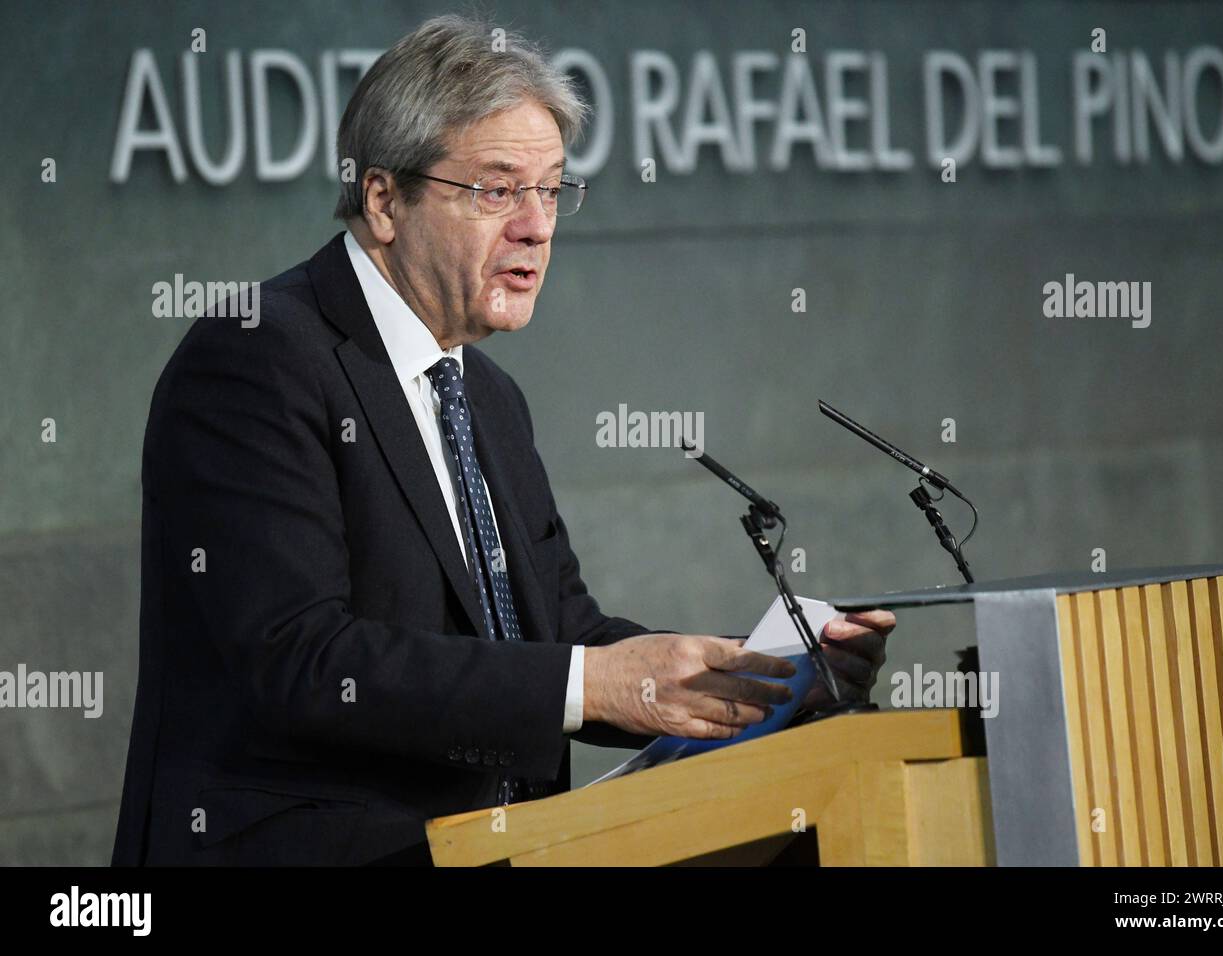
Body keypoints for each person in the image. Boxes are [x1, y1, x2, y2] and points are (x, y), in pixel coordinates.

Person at [111, 13, 894, 866]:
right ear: (383, 199)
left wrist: (757, 681)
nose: (536, 225)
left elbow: (558, 635)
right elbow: (299, 658)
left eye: (551, 190)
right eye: (497, 189)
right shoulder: (257, 353)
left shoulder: (487, 395)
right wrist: (599, 680)